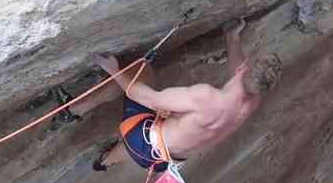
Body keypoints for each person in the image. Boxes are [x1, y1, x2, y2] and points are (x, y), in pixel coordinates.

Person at [71, 19, 281, 173]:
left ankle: (74, 110)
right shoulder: (251, 103)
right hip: (163, 161)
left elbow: (144, 96)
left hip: (140, 137)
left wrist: (113, 70)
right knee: (149, 142)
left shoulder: (205, 97)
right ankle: (105, 161)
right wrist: (232, 37)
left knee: (139, 69)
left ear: (245, 66)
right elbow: (241, 76)